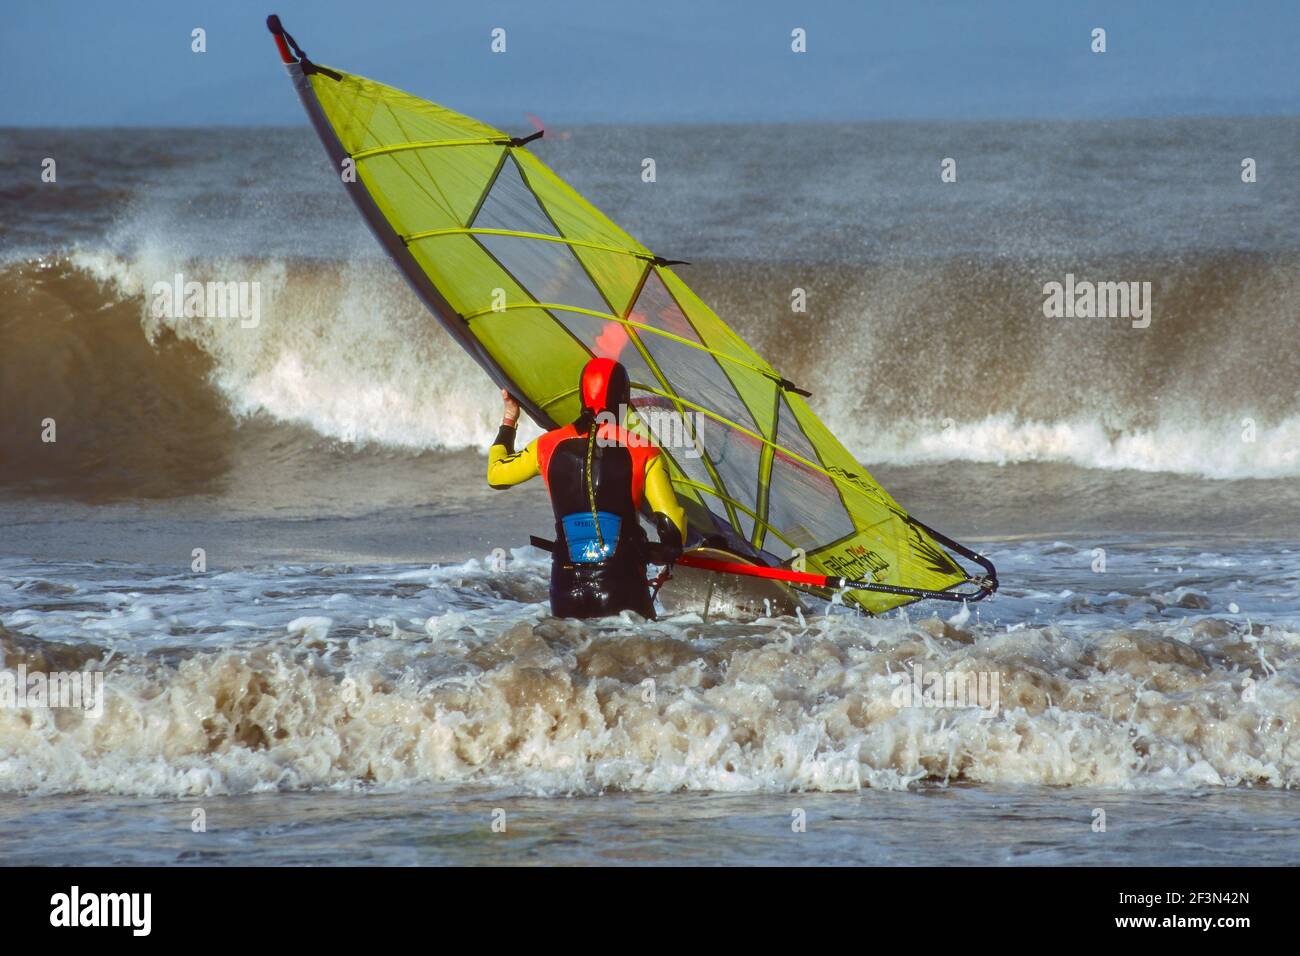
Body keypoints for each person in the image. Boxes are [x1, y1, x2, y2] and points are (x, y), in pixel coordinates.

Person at [487, 357, 687, 619]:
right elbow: (672, 529)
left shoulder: (547, 445)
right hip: (620, 586)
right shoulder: (643, 449)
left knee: (577, 656)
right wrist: (660, 552)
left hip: (565, 588)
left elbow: (496, 475)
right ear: (623, 398)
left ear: (581, 396)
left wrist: (509, 419)